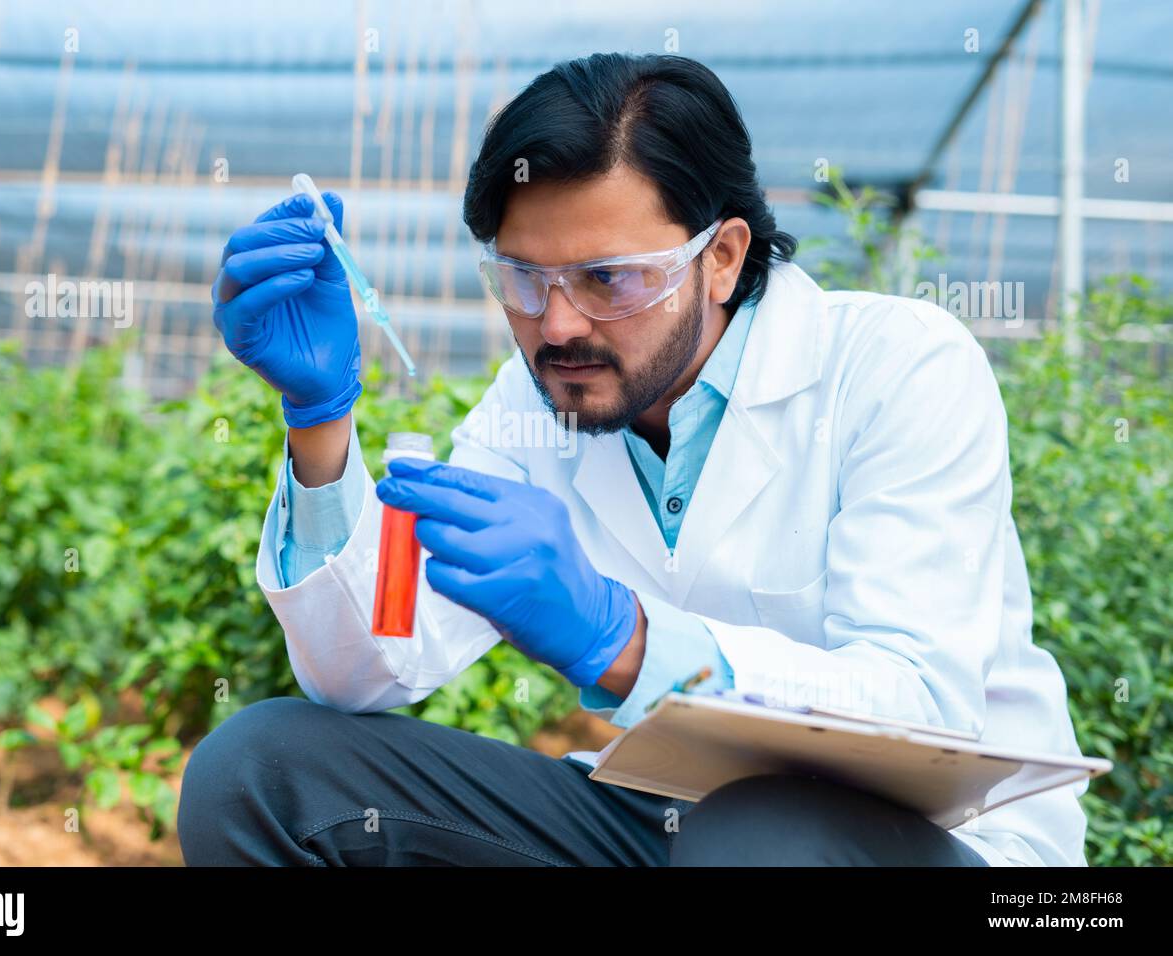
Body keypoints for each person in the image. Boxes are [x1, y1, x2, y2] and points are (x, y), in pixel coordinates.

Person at [178, 52, 1090, 867]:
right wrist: (319, 422)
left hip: (931, 842)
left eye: (609, 278)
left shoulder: (897, 365)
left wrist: (628, 641)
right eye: (523, 280)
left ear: (722, 258)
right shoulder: (533, 404)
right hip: (660, 818)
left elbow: (923, 710)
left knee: (758, 837)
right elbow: (368, 666)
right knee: (262, 773)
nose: (558, 325)